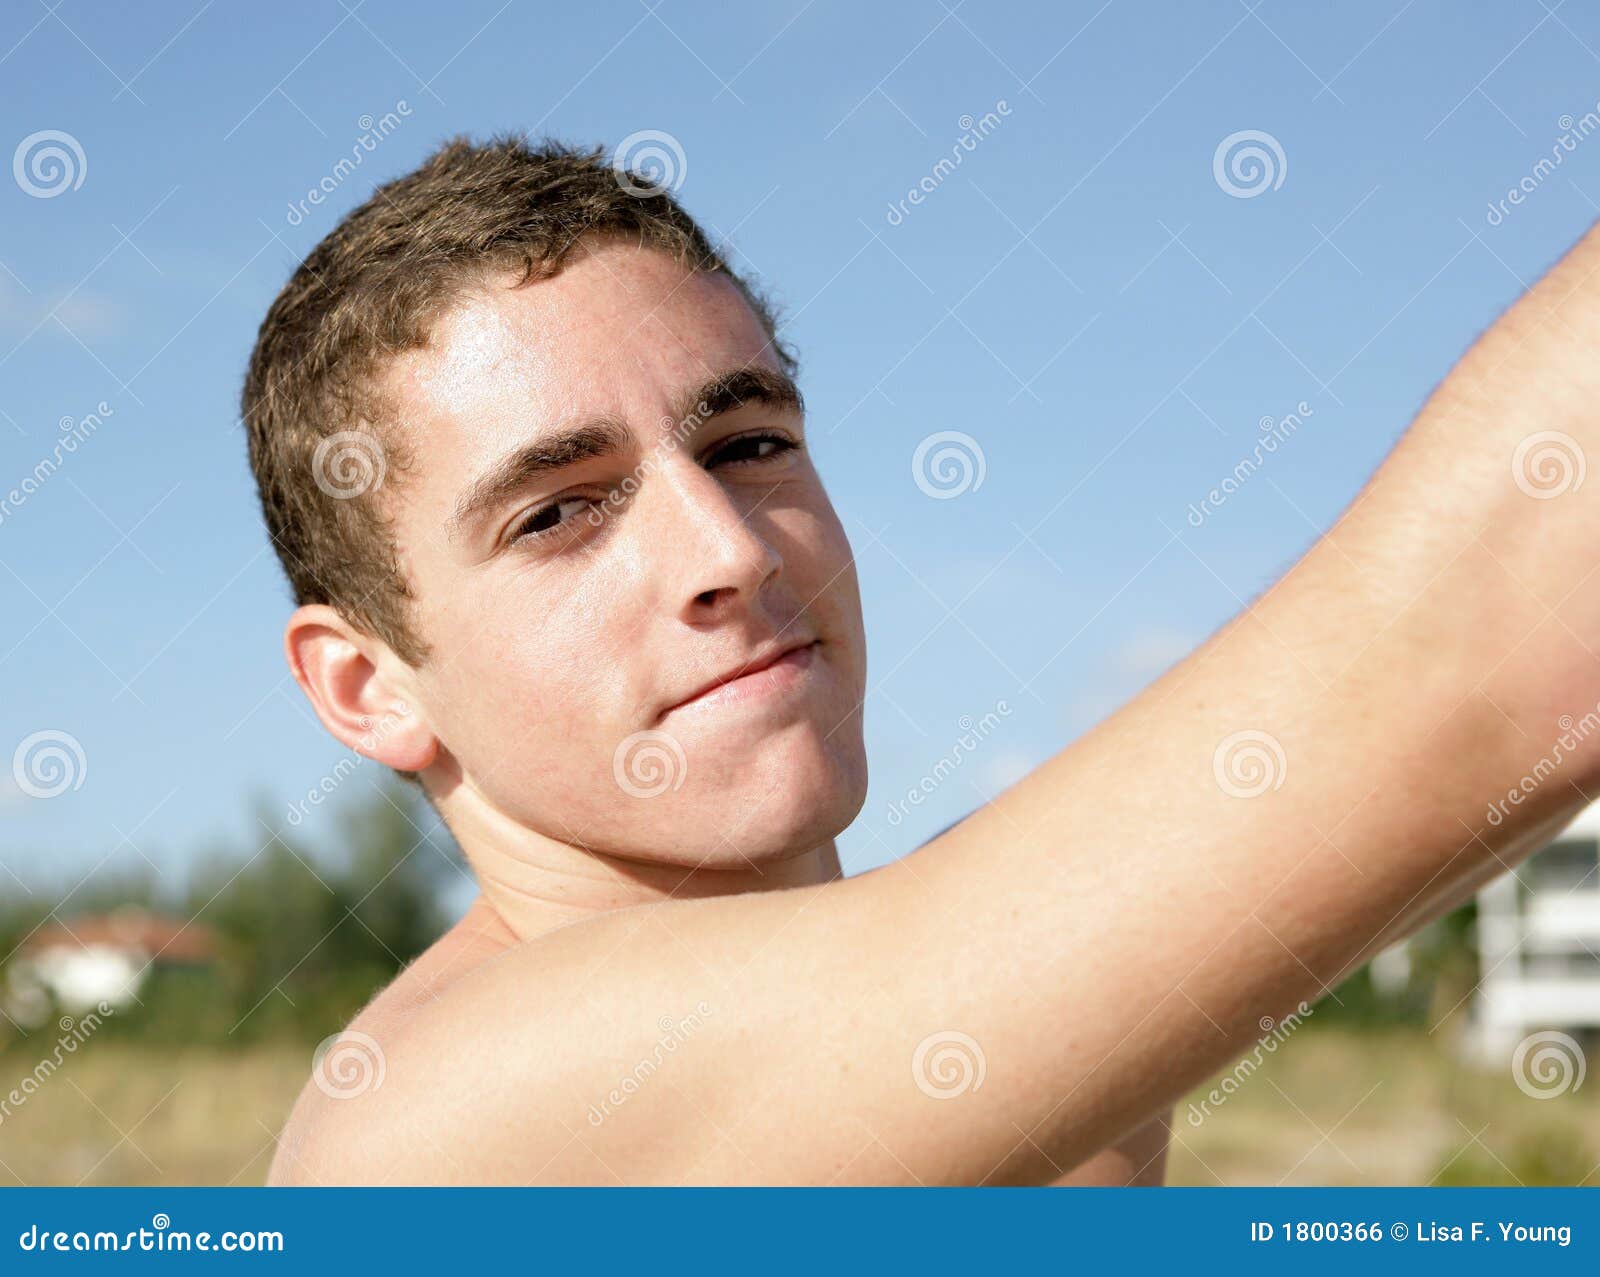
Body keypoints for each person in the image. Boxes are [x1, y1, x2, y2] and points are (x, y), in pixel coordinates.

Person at [250, 134, 1600, 1186]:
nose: (728, 546)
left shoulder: (978, 989)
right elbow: (1473, 659)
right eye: (556, 512)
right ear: (369, 687)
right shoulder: (449, 1123)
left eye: (748, 443)